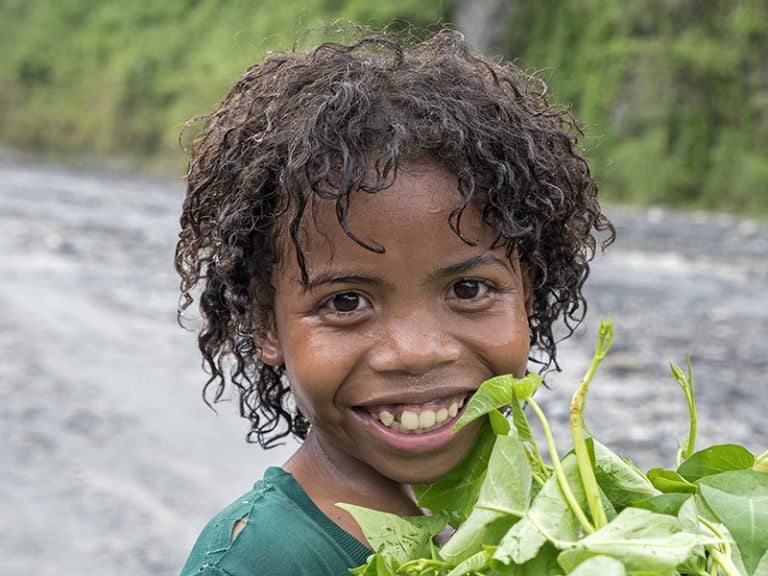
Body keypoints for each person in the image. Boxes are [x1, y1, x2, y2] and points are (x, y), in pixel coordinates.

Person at [175, 26, 614, 576]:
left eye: (468, 289)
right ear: (267, 324)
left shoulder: (542, 521)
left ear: (530, 288)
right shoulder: (262, 560)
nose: (416, 351)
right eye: (346, 302)